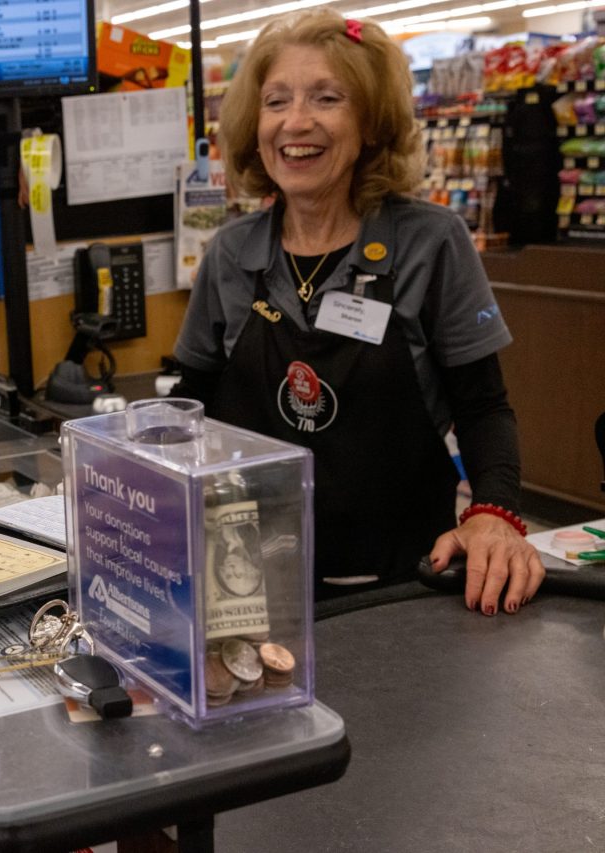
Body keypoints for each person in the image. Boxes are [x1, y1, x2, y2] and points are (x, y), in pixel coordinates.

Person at [172, 10, 544, 615]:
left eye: (327, 98)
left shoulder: (432, 242)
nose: (296, 122)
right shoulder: (231, 255)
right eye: (276, 101)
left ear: (370, 122)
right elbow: (192, 403)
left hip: (409, 586)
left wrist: (493, 514)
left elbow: (482, 407)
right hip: (249, 588)